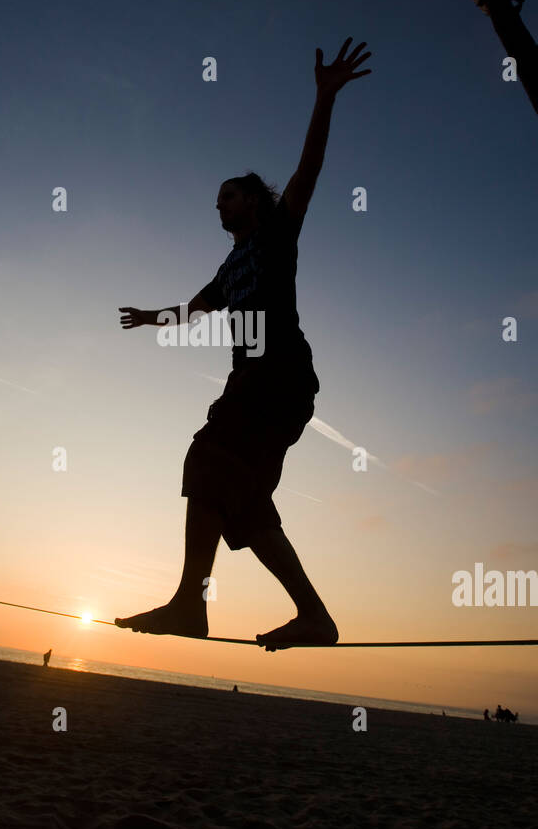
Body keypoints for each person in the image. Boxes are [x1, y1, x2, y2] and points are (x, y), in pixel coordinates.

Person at [115, 38, 371, 650]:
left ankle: (187, 604)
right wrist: (150, 317)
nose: (219, 205)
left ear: (253, 199)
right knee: (246, 506)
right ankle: (315, 616)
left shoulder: (278, 234)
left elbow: (308, 170)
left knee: (207, 458)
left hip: (277, 376)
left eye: (228, 195)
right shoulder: (229, 268)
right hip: (255, 384)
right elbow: (192, 309)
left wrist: (324, 98)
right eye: (217, 201)